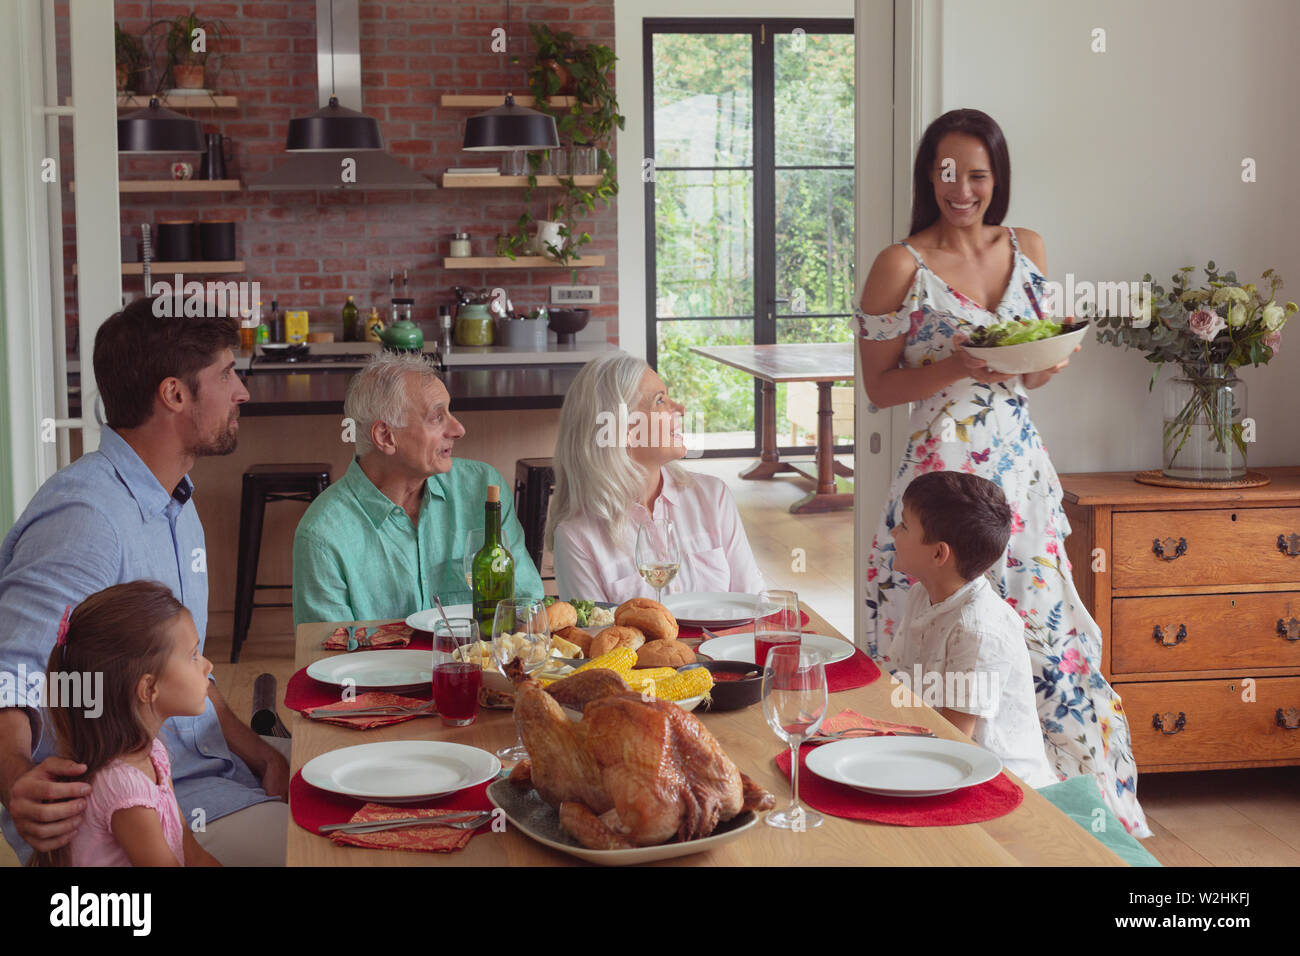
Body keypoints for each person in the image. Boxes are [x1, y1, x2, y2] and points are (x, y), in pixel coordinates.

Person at [855, 108, 1149, 835]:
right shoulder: (900, 263)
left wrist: (1050, 359)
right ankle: (922, 799)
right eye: (949, 172)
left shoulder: (1030, 245)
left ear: (996, 179)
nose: (964, 188)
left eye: (978, 174)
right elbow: (879, 388)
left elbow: (1032, 374)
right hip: (942, 470)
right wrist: (955, 364)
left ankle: (1076, 813)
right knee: (937, 633)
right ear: (931, 174)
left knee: (1045, 633)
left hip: (1019, 470)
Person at [0, 296, 290, 867]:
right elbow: (12, 672)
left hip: (204, 778)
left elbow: (188, 666)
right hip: (145, 820)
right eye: (228, 373)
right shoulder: (88, 519)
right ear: (174, 394)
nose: (243, 392)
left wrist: (260, 753)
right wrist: (15, 780)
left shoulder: (173, 499)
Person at [293, 352, 543, 625]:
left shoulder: (484, 490)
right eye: (437, 417)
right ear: (385, 437)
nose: (458, 429)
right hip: (382, 669)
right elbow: (327, 656)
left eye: (450, 412)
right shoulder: (323, 535)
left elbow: (526, 605)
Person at [547, 350, 766, 602]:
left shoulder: (713, 497)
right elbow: (597, 638)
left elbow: (755, 602)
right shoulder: (576, 537)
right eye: (660, 401)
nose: (681, 409)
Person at [32, 582, 222, 867]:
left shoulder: (152, 753)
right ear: (148, 688)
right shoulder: (124, 788)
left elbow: (189, 848)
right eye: (193, 655)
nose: (208, 666)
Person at [888, 472, 1057, 788]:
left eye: (905, 526)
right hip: (937, 751)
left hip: (997, 782)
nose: (893, 531)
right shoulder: (921, 595)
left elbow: (955, 743)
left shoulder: (977, 631)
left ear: (939, 553)